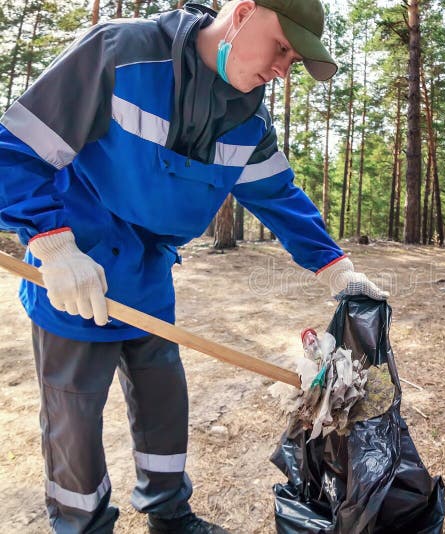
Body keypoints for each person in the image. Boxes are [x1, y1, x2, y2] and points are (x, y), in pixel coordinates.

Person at [0, 1, 387, 532]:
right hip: (78, 273)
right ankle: (80, 525)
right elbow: (16, 148)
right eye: (280, 47)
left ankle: (170, 515)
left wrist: (336, 267)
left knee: (163, 400)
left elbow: (280, 197)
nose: (280, 69)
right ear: (244, 12)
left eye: (292, 62)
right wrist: (53, 245)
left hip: (149, 274)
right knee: (74, 420)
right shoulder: (121, 53)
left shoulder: (247, 118)